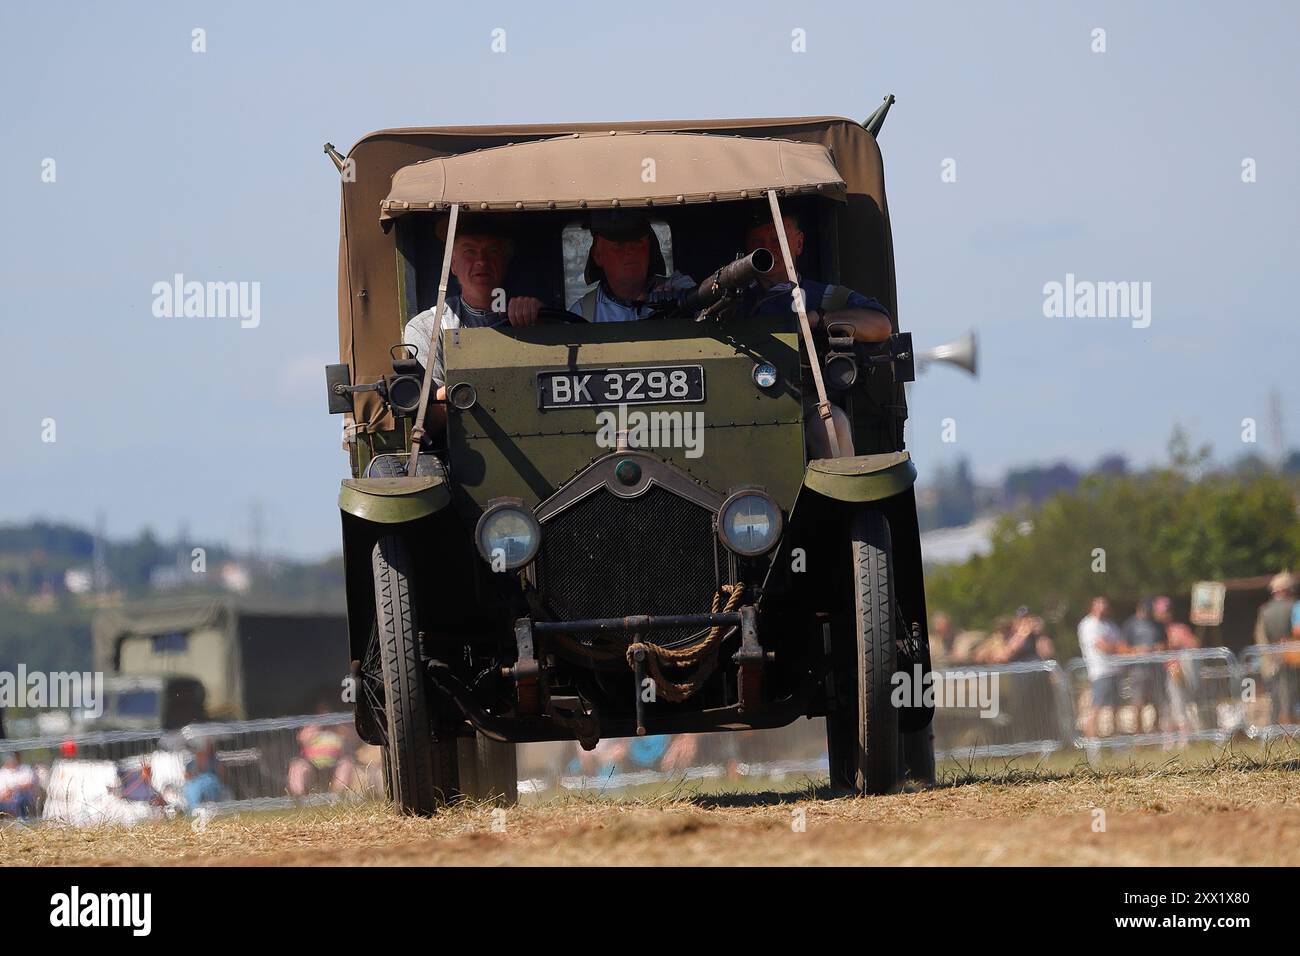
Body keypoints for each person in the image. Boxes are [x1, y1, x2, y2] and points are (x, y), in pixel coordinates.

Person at [739, 208, 893, 458]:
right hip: (737, 405)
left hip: (803, 402)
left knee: (833, 427)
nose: (767, 248)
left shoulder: (825, 297)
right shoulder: (730, 302)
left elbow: (880, 326)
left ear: (798, 243)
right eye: (758, 242)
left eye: (777, 240)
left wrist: (817, 319)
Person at [403, 219, 547, 428]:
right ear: (452, 264)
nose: (482, 261)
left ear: (504, 261)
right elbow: (430, 415)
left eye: (492, 251)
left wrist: (543, 327)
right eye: (470, 251)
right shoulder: (428, 328)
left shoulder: (536, 318)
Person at [568, 210, 695, 322]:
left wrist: (682, 300)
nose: (630, 250)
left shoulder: (678, 287)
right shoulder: (582, 313)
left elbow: (699, 298)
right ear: (598, 256)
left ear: (649, 250)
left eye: (637, 242)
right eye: (619, 244)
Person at [1253, 572, 1298, 726]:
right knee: (1290, 694)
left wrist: (1267, 658)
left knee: (1275, 695)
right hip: (1293, 656)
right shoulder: (1293, 606)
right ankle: (1288, 728)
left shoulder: (1264, 610)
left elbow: (1260, 637)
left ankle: (1275, 728)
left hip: (1271, 658)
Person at [1078, 597, 1125, 738]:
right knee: (1096, 709)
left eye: (1105, 603)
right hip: (1100, 671)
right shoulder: (1088, 624)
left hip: (1115, 671)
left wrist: (1119, 647)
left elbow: (1120, 643)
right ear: (1092, 606)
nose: (1103, 606)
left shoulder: (1110, 625)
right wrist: (1121, 648)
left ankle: (1117, 743)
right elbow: (1103, 646)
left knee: (1116, 709)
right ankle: (1092, 745)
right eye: (1099, 603)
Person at [1122, 598, 1166, 731]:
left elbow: (1164, 643)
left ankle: (1156, 730)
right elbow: (1122, 646)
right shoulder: (1130, 624)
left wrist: (1159, 648)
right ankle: (1138, 734)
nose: (1147, 612)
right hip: (1137, 670)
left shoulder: (1157, 624)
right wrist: (1136, 650)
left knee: (1157, 702)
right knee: (1137, 703)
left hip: (1155, 669)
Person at [0, 751, 39, 819]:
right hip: (8, 804)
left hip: (25, 801)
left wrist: (15, 788)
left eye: (13, 757)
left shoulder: (26, 769)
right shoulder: (2, 773)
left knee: (21, 800)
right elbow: (2, 795)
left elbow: (30, 785)